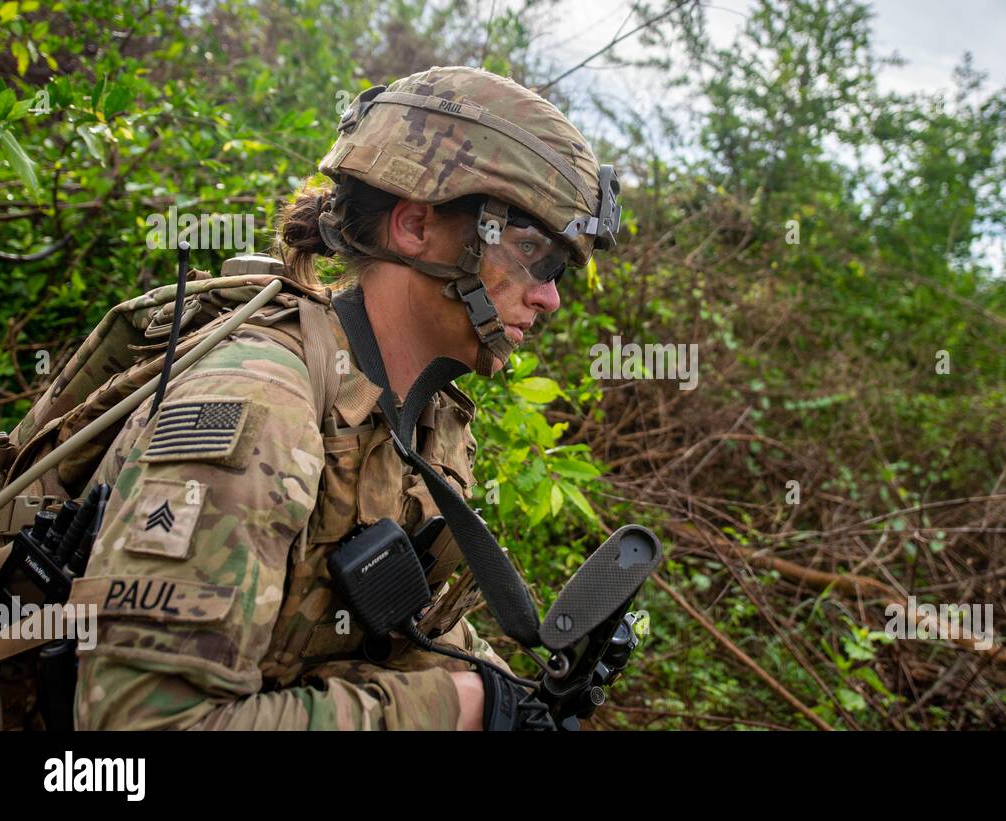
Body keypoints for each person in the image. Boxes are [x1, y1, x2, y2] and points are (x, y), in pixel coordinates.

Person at [72, 65, 621, 730]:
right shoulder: (260, 406)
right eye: (532, 251)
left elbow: (395, 635)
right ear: (415, 226)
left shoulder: (425, 419)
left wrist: (512, 695)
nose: (549, 295)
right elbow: (135, 731)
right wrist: (456, 708)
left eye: (558, 267)